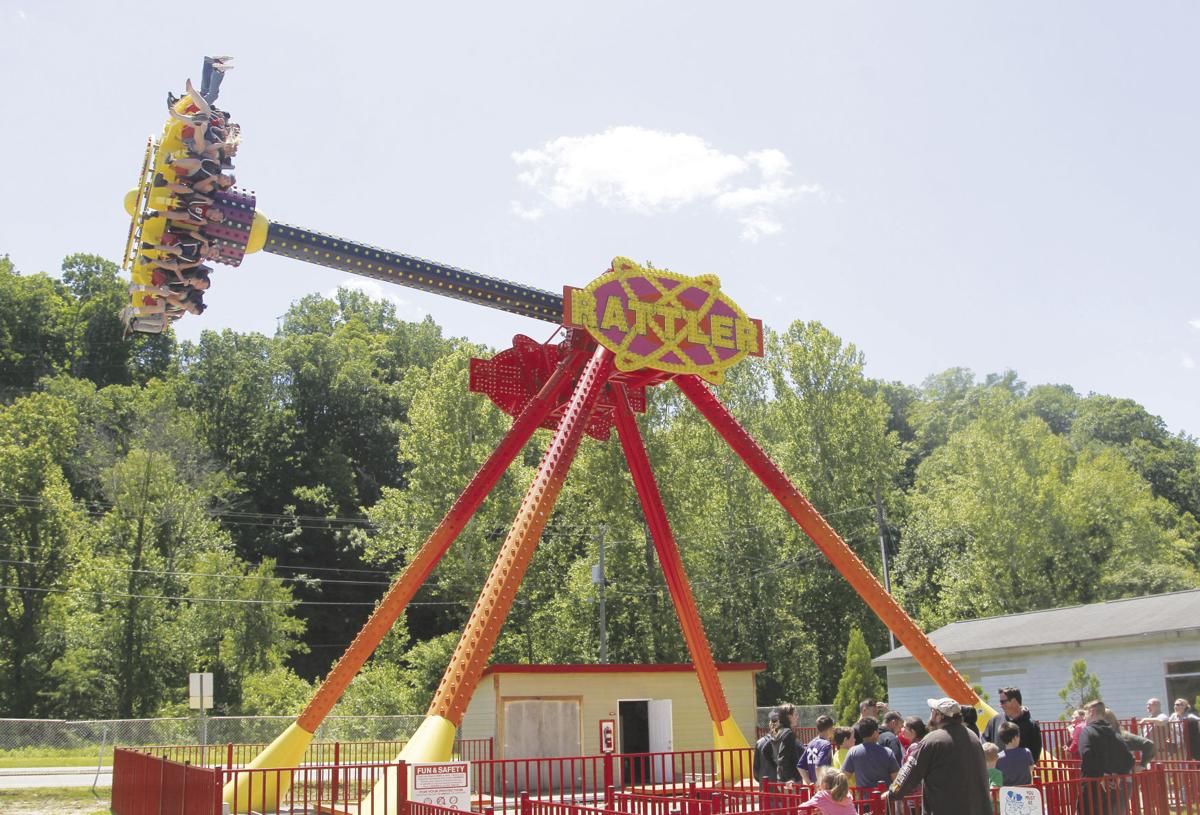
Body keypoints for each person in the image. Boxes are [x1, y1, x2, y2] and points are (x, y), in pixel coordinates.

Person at [882, 698, 992, 815]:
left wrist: (893, 792)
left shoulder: (932, 740)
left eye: (932, 711)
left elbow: (909, 771)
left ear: (937, 715)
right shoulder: (973, 737)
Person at [1078, 700, 1133, 815]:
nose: (1085, 719)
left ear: (1091, 712)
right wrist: (1115, 774)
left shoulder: (1087, 732)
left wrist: (1102, 774)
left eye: (1085, 715)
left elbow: (1086, 754)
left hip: (1091, 786)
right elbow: (1129, 760)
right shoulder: (1115, 734)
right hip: (1112, 788)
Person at [982, 686, 1043, 763]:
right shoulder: (994, 721)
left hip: (1021, 773)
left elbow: (1035, 753)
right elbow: (985, 742)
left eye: (1002, 702)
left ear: (1014, 701)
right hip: (998, 772)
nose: (1000, 705)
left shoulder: (1031, 726)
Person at [841, 718, 899, 792]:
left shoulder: (853, 752)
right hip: (885, 800)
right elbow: (897, 781)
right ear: (875, 733)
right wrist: (890, 793)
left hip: (863, 801)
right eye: (878, 731)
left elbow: (843, 777)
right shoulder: (888, 752)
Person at [798, 715, 835, 785]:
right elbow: (818, 766)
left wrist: (809, 783)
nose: (833, 729)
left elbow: (800, 766)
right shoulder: (826, 744)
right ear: (828, 729)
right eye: (832, 727)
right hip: (823, 787)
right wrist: (820, 784)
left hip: (814, 787)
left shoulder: (811, 743)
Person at [995, 721, 1034, 785]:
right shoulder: (1026, 752)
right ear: (1015, 738)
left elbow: (998, 777)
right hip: (1026, 789)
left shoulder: (998, 757)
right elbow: (1031, 769)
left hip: (1007, 792)